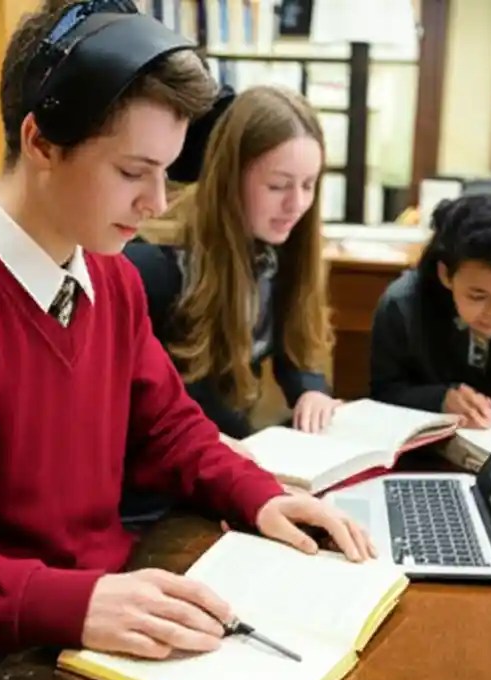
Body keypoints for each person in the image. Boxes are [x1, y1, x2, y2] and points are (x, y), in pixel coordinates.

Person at [0, 2, 373, 680]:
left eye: (168, 173)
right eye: (132, 172)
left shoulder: (109, 276)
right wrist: (72, 602)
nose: (156, 202)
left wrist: (261, 495)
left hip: (95, 617)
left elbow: (169, 429)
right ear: (42, 141)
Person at [124, 85, 337, 443]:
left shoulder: (281, 245)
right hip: (166, 466)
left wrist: (311, 390)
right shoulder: (156, 265)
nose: (297, 204)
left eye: (308, 185)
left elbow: (294, 347)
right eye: (278, 186)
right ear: (230, 178)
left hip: (229, 451)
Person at [370, 194, 491, 428]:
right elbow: (383, 394)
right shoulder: (402, 306)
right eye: (478, 296)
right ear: (446, 274)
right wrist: (439, 400)